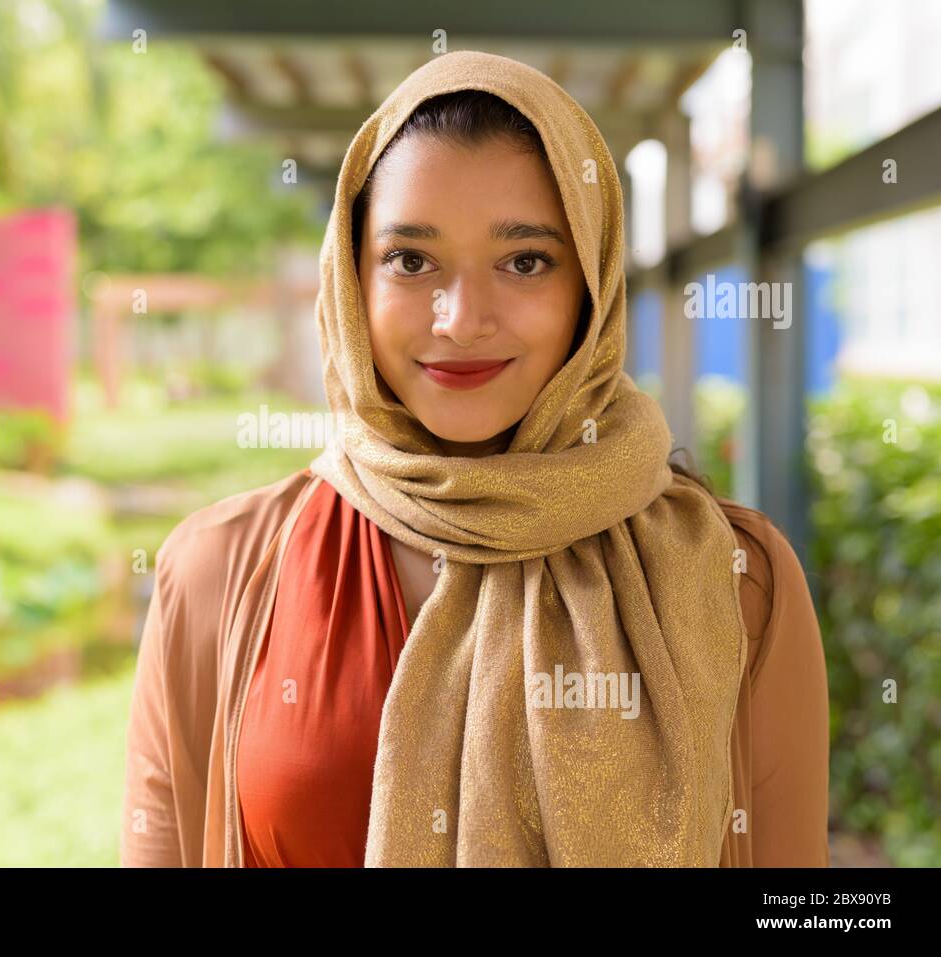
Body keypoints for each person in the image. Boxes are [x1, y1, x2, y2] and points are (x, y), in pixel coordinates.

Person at [119, 50, 829, 867]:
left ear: (590, 288)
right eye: (411, 260)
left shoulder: (737, 579)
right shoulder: (216, 573)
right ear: (352, 281)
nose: (460, 319)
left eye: (524, 261)